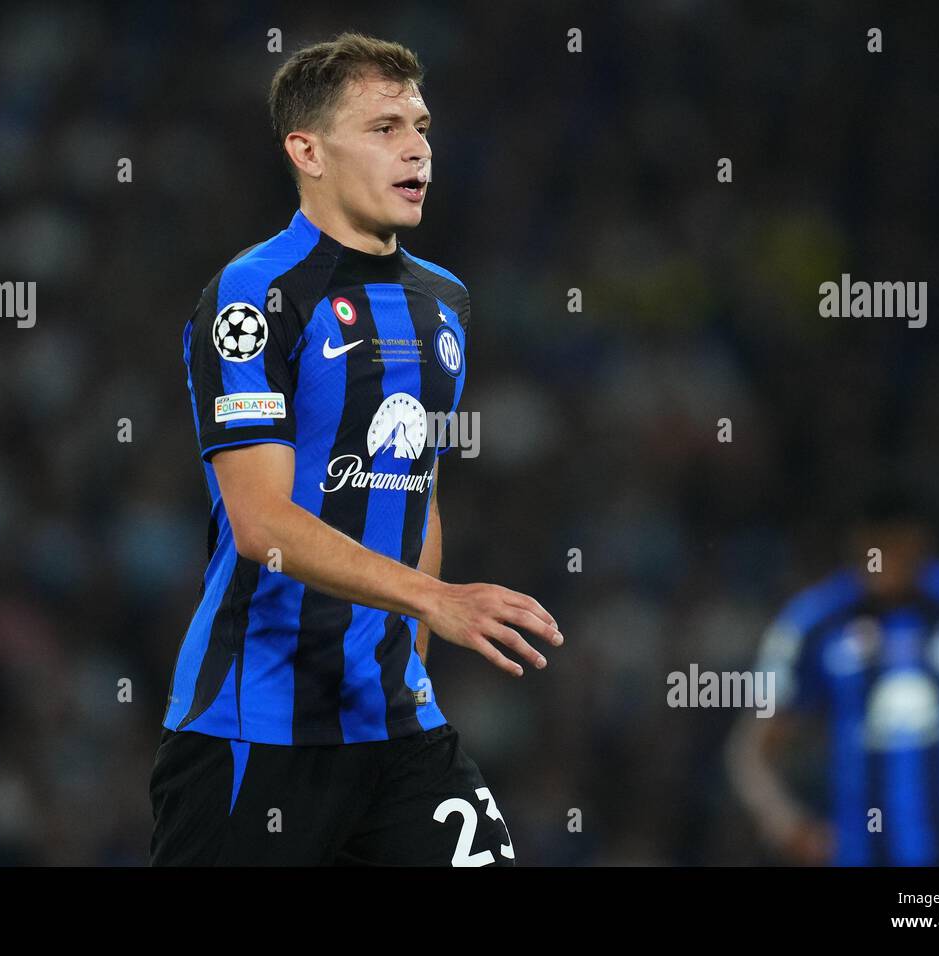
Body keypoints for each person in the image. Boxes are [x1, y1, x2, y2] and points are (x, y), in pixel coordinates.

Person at [149, 32, 562, 866]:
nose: (417, 149)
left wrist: (413, 659)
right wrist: (434, 600)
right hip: (256, 727)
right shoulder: (255, 295)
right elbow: (262, 523)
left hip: (399, 727)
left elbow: (418, 493)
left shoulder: (445, 301)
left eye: (422, 127)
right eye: (384, 128)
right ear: (308, 151)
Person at [727, 486, 939, 865]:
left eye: (901, 546)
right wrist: (784, 820)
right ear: (856, 544)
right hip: (859, 855)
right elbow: (753, 748)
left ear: (923, 542)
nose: (888, 561)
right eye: (877, 547)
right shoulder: (815, 624)